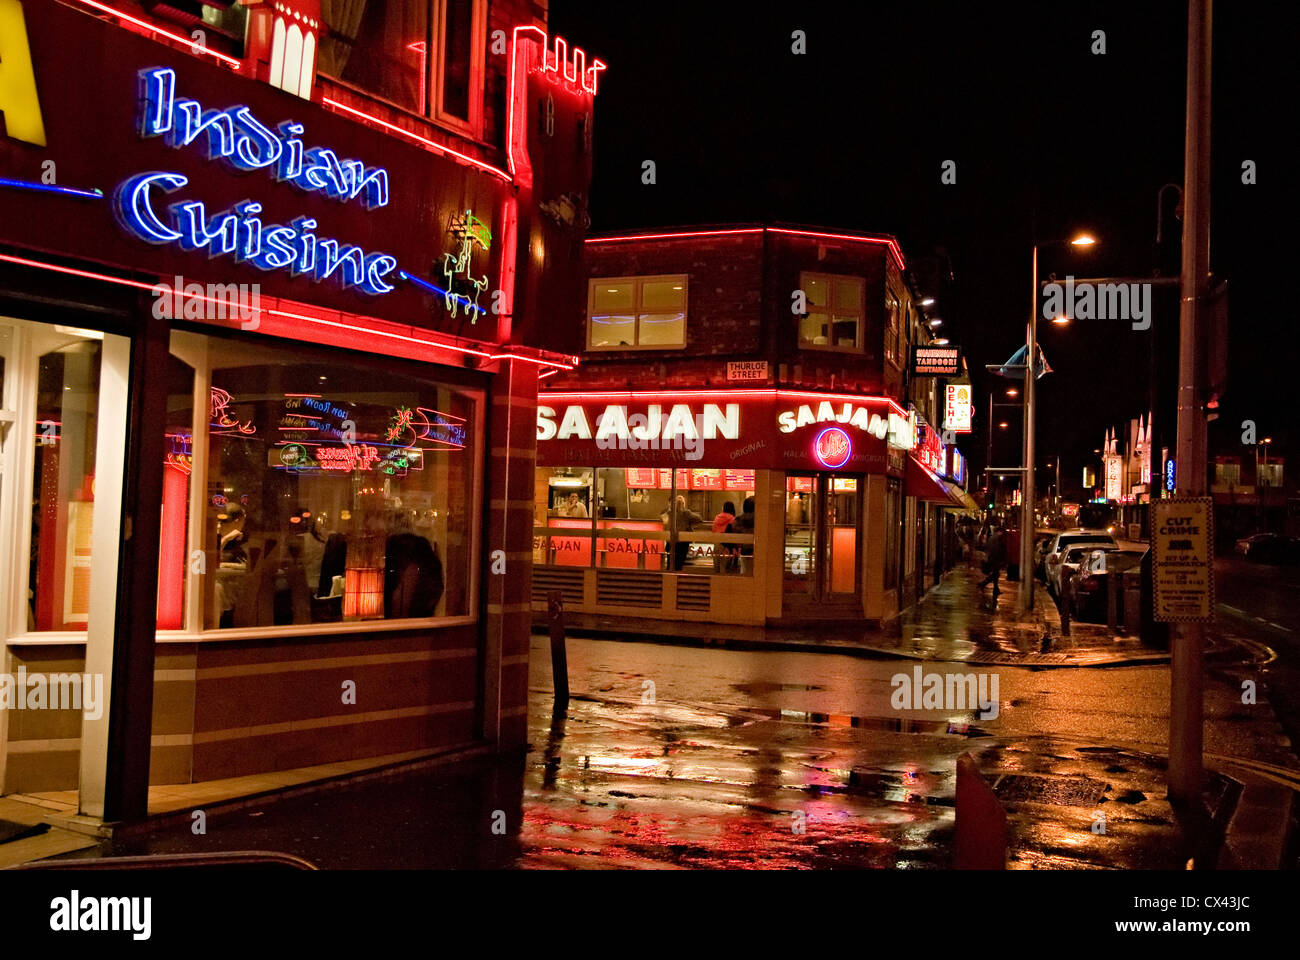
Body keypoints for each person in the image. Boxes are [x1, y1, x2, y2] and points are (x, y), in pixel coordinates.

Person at [667, 494, 702, 570]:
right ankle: (676, 578)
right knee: (679, 564)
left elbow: (663, 520)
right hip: (682, 543)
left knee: (670, 563)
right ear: (683, 504)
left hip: (670, 541)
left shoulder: (669, 513)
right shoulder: (686, 513)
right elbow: (699, 518)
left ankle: (668, 579)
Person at [979, 523, 1007, 598]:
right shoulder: (996, 539)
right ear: (999, 531)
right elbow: (995, 550)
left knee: (995, 575)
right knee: (995, 574)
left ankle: (995, 589)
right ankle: (983, 584)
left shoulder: (993, 538)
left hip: (992, 559)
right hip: (993, 560)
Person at [730, 496, 756, 575]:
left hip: (744, 548)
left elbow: (734, 531)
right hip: (756, 548)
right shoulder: (759, 519)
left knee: (744, 568)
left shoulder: (739, 519)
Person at [712, 500, 737, 573]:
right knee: (724, 569)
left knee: (716, 568)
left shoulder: (717, 518)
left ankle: (715, 583)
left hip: (716, 544)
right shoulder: (732, 519)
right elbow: (733, 534)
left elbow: (713, 530)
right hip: (726, 545)